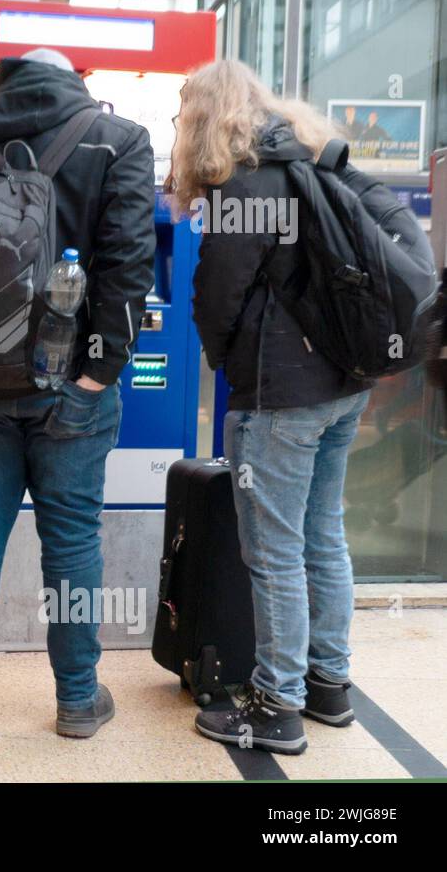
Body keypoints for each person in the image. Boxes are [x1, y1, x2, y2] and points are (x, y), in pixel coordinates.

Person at [168, 59, 433, 754]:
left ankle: (276, 707)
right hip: (343, 389)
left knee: (275, 552)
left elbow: (216, 295)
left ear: (205, 118)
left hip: (281, 399)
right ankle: (328, 686)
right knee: (322, 538)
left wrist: (227, 360)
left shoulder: (247, 182)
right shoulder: (314, 162)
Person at [0, 47, 157, 737]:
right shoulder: (120, 142)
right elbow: (131, 270)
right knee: (72, 541)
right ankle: (77, 700)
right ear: (75, 84)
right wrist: (97, 373)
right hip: (72, 386)